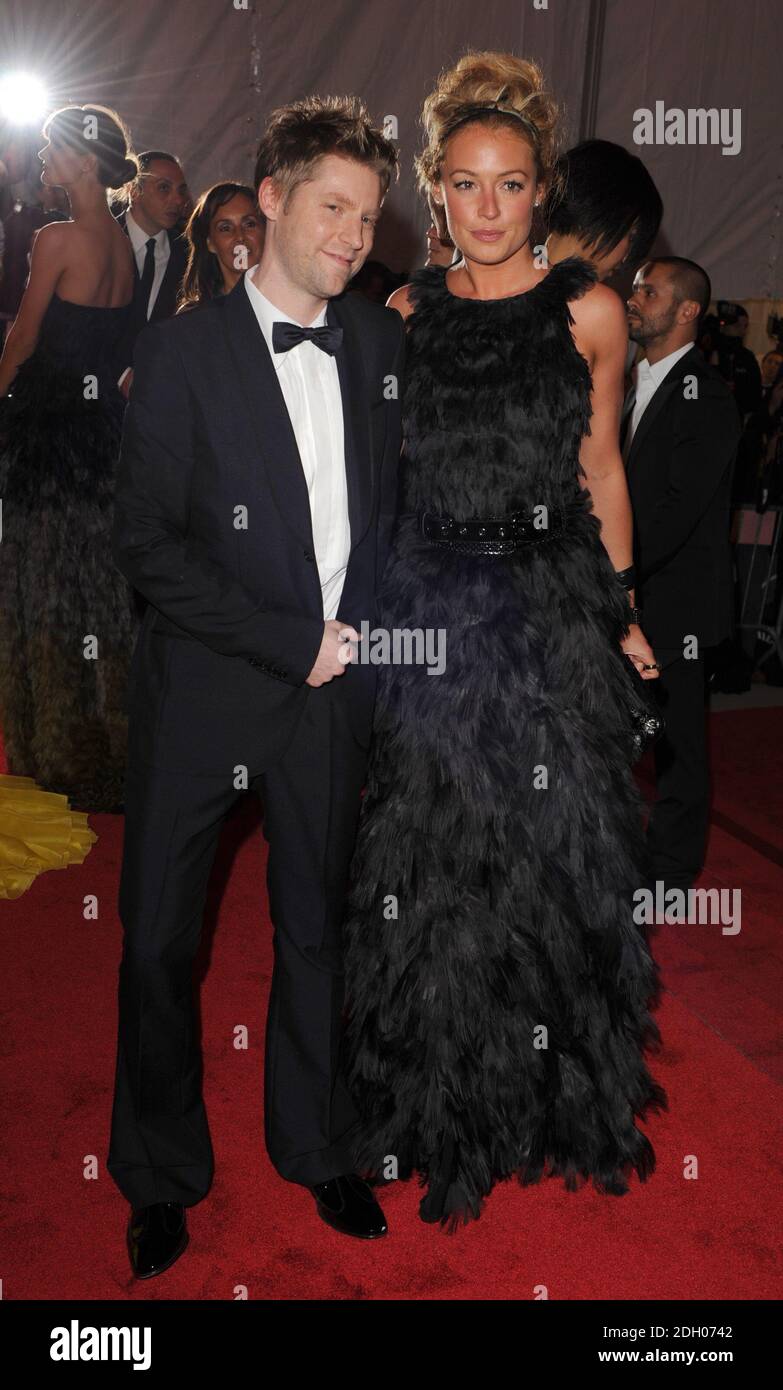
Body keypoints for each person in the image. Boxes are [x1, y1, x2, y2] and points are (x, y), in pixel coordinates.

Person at [340, 50, 667, 1232]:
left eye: (511, 184)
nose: (488, 207)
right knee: (431, 869)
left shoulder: (588, 308)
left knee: (552, 857)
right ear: (434, 193)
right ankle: (441, 1098)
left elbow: (602, 469)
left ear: (541, 192)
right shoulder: (404, 312)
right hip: (429, 613)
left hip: (548, 610)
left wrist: (623, 611)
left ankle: (547, 1093)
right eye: (466, 186)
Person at [107, 94, 404, 1278]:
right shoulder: (179, 354)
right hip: (210, 689)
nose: (353, 234)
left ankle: (317, 1140)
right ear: (271, 200)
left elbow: (390, 517)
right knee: (159, 944)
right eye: (334, 206)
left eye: (372, 216)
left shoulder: (379, 341)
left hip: (337, 699)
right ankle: (161, 1169)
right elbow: (147, 546)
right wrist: (292, 638)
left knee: (319, 930)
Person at [0, 105, 139, 860]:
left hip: (49, 439)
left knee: (43, 589)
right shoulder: (122, 246)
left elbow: (21, 342)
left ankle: (56, 751)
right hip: (101, 444)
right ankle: (106, 743)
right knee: (96, 594)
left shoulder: (57, 240)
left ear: (84, 163)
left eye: (53, 154)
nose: (44, 166)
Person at [624, 257, 741, 890]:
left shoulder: (708, 393)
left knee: (677, 744)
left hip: (675, 603)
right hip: (627, 594)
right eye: (635, 285)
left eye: (649, 289)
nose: (633, 297)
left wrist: (616, 572)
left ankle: (670, 872)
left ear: (688, 310)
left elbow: (677, 510)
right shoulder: (626, 379)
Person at [113, 150, 190, 398]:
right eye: (164, 188)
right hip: (91, 399)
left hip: (161, 400)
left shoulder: (189, 254)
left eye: (181, 190)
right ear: (134, 191)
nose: (177, 200)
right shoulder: (102, 241)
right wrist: (122, 374)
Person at [544, 138, 663, 281]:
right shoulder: (600, 302)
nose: (625, 258)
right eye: (630, 237)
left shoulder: (515, 280)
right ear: (600, 213)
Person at [177, 181, 264, 310]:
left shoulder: (291, 305)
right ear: (210, 242)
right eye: (225, 228)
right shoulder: (193, 317)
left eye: (249, 224)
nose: (240, 236)